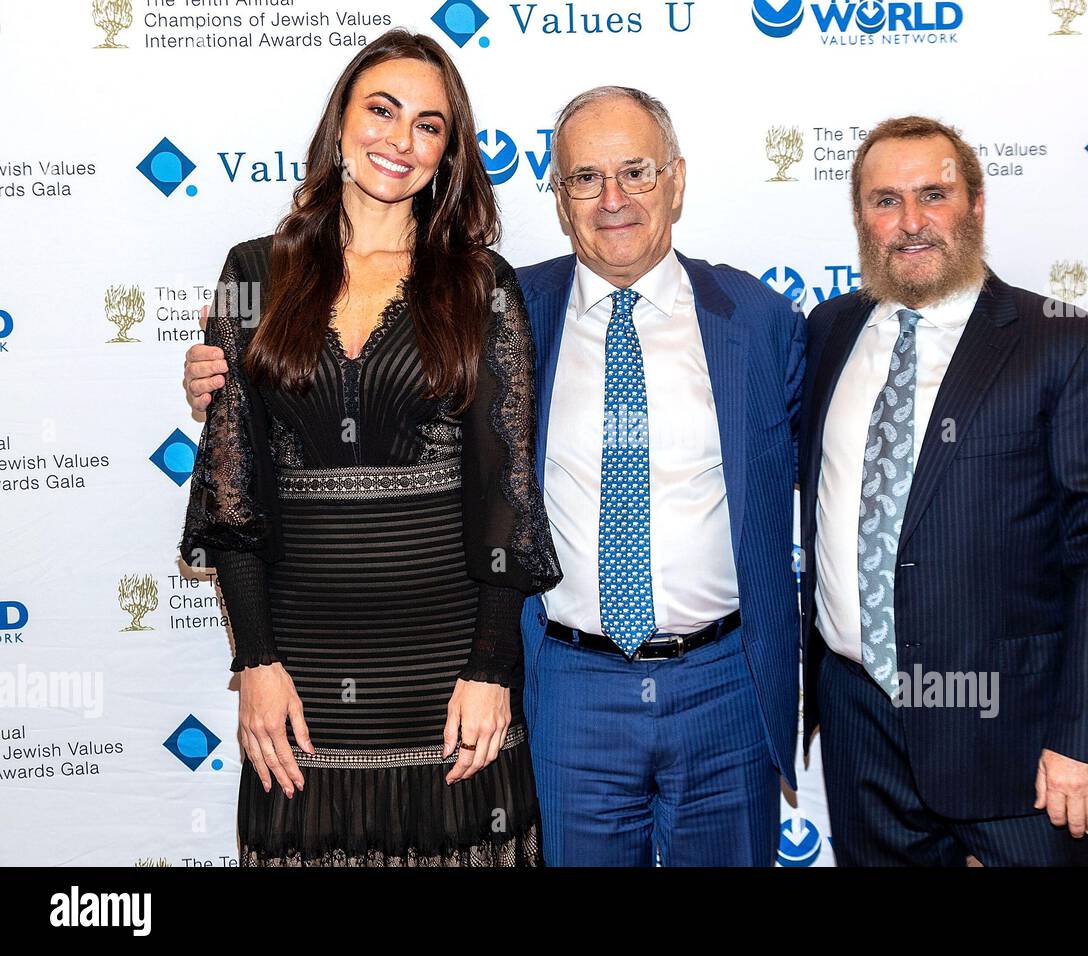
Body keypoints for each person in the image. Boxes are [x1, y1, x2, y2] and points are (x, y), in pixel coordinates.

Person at [186, 86, 805, 867]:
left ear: (676, 180)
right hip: (570, 688)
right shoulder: (510, 301)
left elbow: (836, 459)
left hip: (725, 686)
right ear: (558, 197)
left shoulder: (759, 319)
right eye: (584, 179)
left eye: (636, 173)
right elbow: (293, 413)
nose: (612, 199)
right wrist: (224, 375)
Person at [179, 28, 560, 867]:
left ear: (447, 153)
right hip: (301, 677)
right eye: (381, 110)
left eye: (429, 125)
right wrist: (256, 663)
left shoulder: (479, 281)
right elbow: (234, 495)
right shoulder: (252, 270)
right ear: (340, 124)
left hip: (450, 675)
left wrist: (493, 665)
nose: (400, 138)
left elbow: (508, 491)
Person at [799, 116, 1088, 866]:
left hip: (1017, 740)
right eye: (885, 200)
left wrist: (1087, 740)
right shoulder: (827, 331)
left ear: (977, 204)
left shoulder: (1066, 344)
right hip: (861, 726)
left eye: (934, 194)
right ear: (860, 216)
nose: (912, 222)